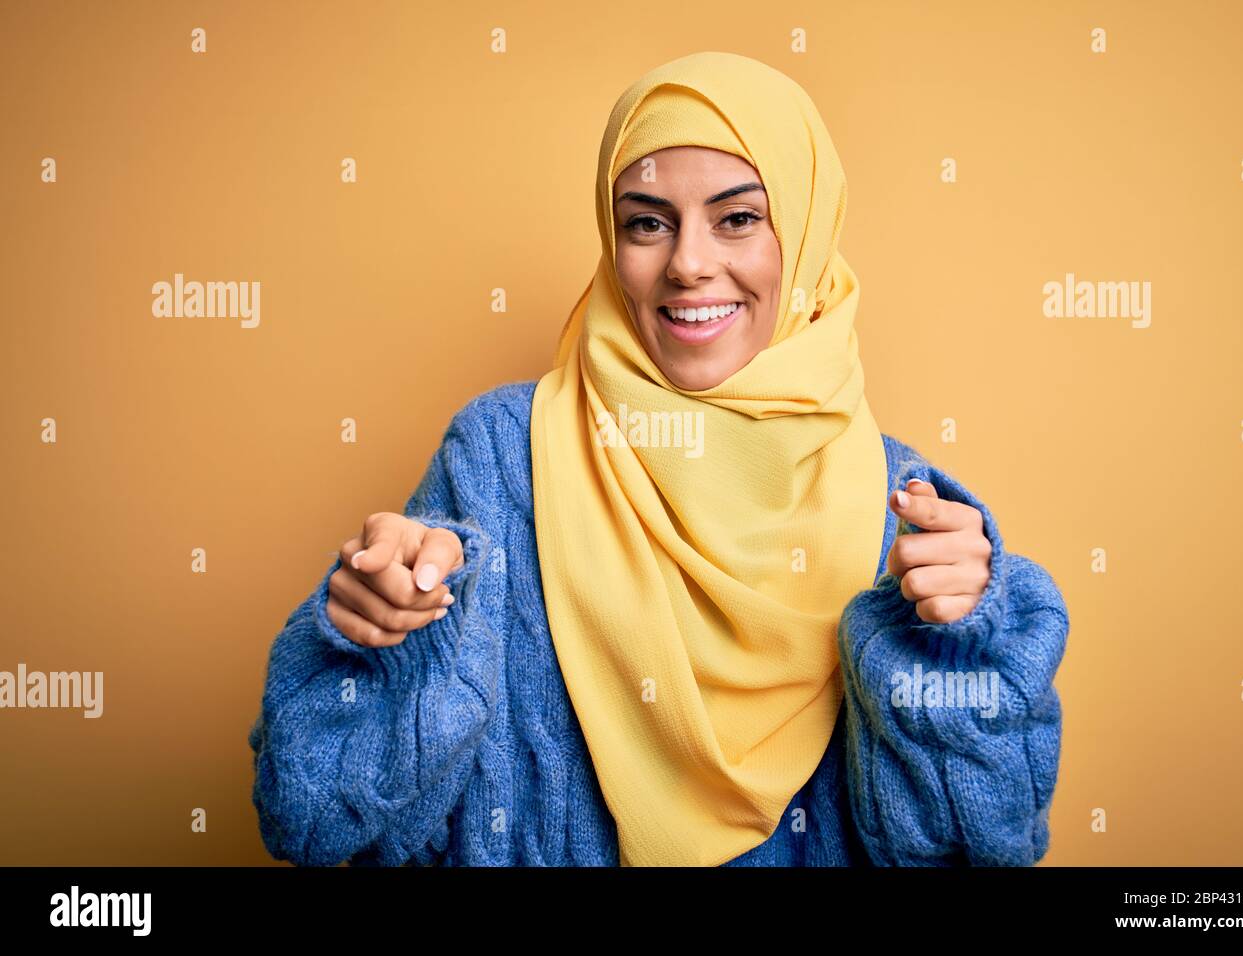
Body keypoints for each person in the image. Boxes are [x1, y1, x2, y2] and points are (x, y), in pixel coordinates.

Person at [248, 50, 1069, 867]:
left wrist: (956, 650)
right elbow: (315, 823)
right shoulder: (504, 456)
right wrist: (389, 636)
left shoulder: (904, 509)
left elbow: (979, 851)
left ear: (808, 234)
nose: (687, 262)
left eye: (738, 218)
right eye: (647, 221)